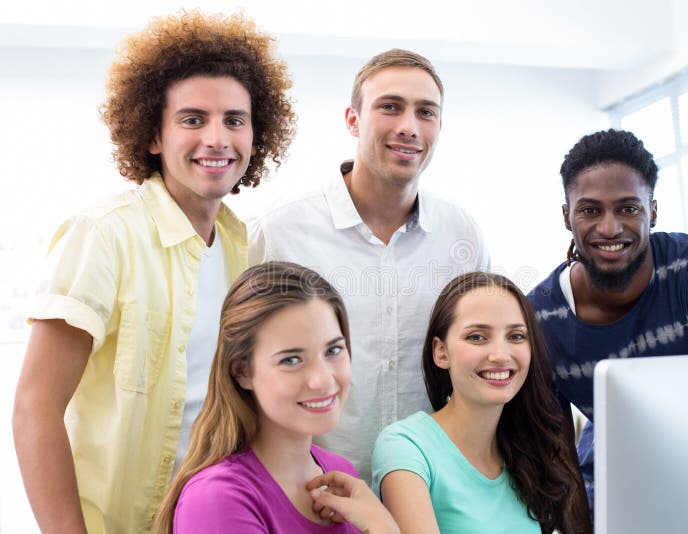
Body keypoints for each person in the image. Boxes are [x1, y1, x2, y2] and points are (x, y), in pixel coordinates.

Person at [12, 10, 295, 533]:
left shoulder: (247, 250)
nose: (217, 138)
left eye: (235, 120)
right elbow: (35, 406)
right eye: (193, 120)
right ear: (154, 136)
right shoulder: (105, 235)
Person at [249, 49, 489, 476]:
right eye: (390, 107)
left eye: (426, 112)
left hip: (434, 488)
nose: (408, 127)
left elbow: (483, 356)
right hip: (312, 491)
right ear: (353, 119)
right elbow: (241, 363)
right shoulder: (282, 231)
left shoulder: (462, 234)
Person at [527, 128, 688, 514]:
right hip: (610, 481)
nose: (609, 228)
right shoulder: (539, 319)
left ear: (652, 211)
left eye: (628, 208)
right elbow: (560, 464)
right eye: (590, 210)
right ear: (566, 216)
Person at [154, 262, 398, 534]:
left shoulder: (341, 475)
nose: (322, 379)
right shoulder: (215, 500)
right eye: (291, 360)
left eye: (333, 351)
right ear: (242, 372)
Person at [372, 272, 591, 534]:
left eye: (516, 336)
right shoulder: (405, 447)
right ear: (441, 352)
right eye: (477, 337)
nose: (500, 355)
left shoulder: (531, 453)